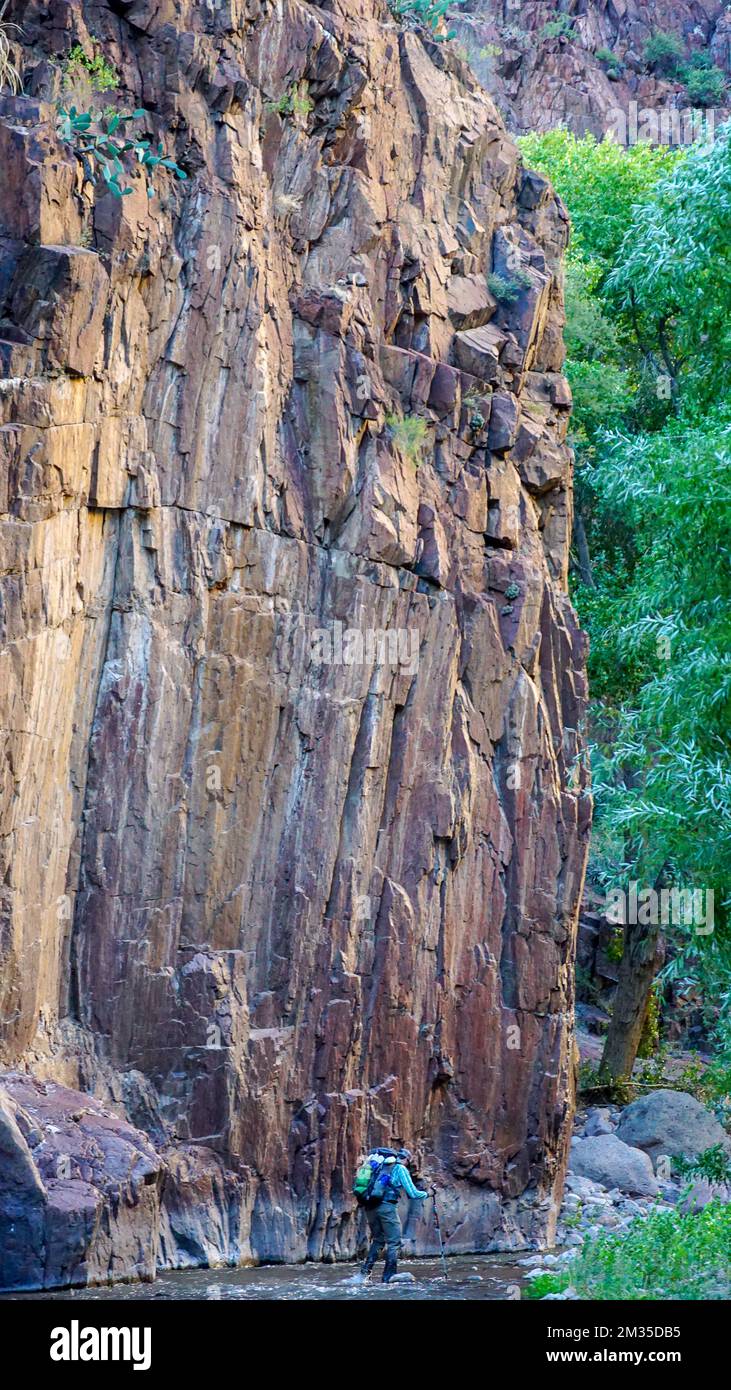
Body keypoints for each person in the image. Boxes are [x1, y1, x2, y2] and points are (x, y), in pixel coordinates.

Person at [359, 1147, 428, 1284]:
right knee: (394, 1241)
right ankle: (389, 1276)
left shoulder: (378, 1167)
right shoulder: (400, 1168)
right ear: (406, 1160)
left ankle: (364, 1274)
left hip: (370, 1207)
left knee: (378, 1240)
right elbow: (413, 1193)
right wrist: (428, 1194)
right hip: (386, 1208)